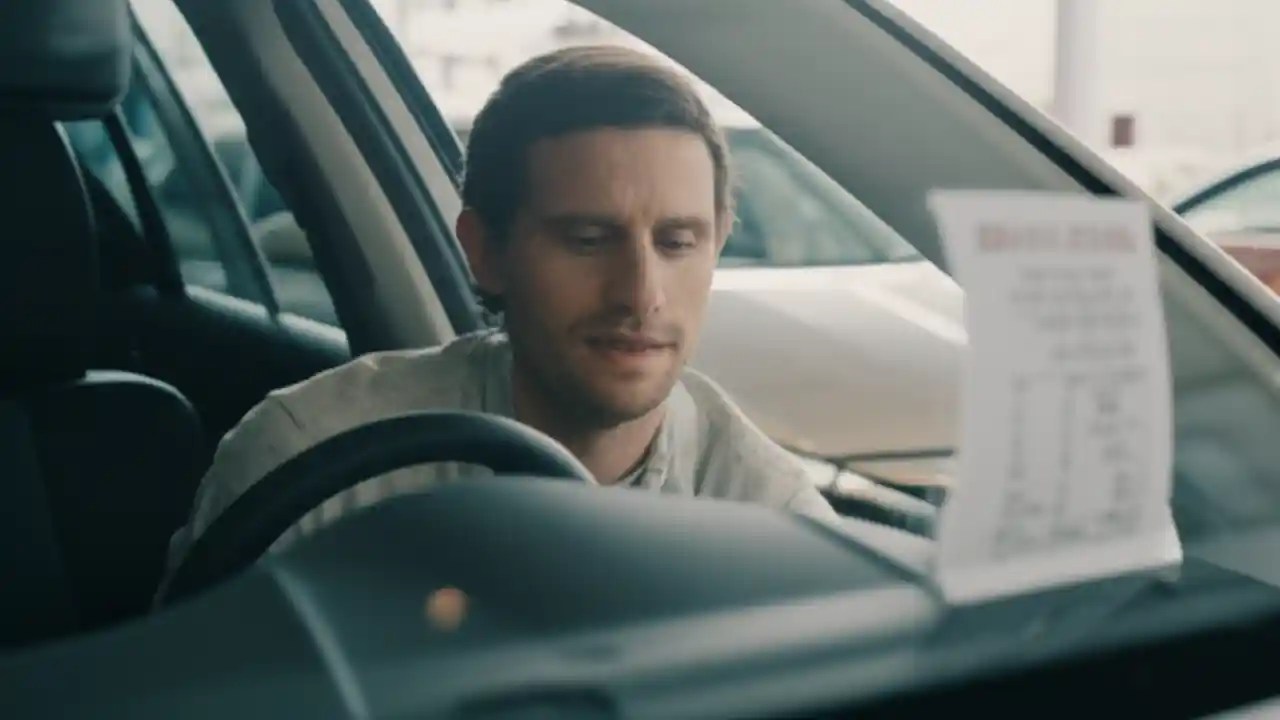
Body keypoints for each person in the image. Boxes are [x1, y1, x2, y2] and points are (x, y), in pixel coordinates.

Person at [161, 44, 840, 583]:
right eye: (587, 240)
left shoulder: (765, 510)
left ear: (718, 244)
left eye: (677, 242)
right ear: (486, 251)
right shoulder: (308, 462)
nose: (641, 294)